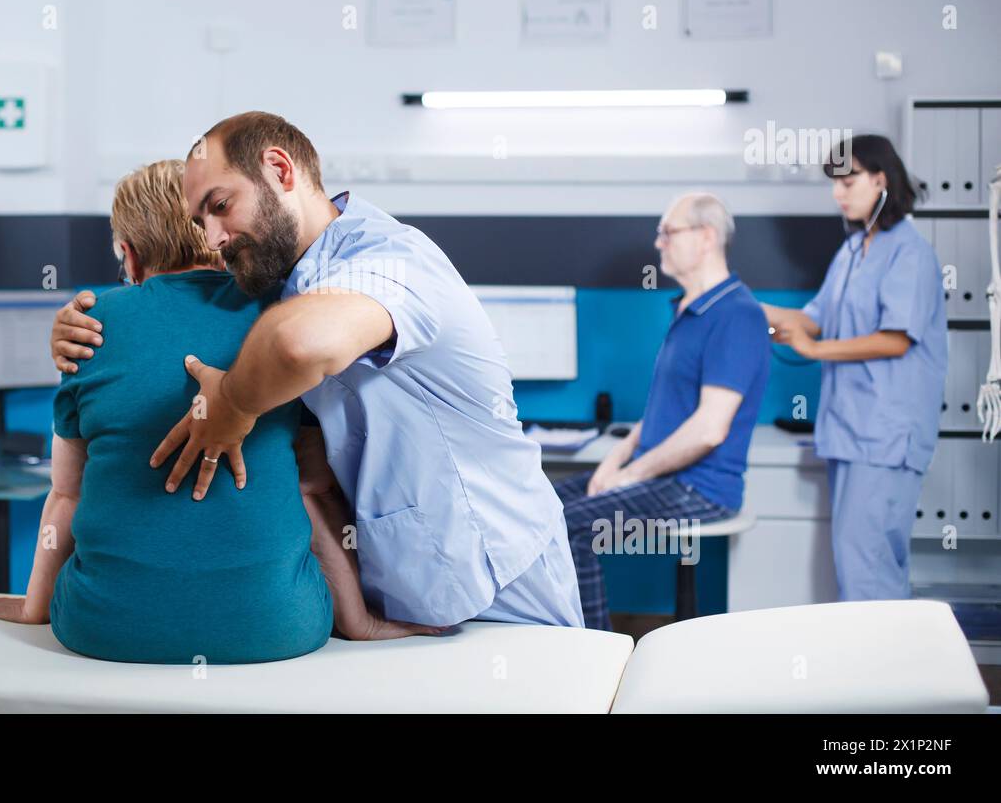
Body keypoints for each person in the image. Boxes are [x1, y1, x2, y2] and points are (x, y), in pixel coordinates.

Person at [50, 111, 584, 629]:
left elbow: (299, 343)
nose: (212, 237)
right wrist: (76, 327)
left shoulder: (393, 259)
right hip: (405, 589)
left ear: (280, 171)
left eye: (221, 205)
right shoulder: (282, 282)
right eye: (199, 222)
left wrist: (232, 406)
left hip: (498, 584)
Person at [0, 160, 427, 662]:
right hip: (281, 631)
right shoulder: (282, 313)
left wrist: (36, 608)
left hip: (102, 629)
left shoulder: (88, 327)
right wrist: (357, 622)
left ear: (130, 254)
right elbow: (313, 489)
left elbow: (65, 493)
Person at [555, 193, 770, 630]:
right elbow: (655, 414)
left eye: (668, 232)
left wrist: (629, 476)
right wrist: (611, 463)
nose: (659, 244)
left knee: (570, 526)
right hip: (662, 476)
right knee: (544, 504)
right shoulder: (688, 310)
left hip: (698, 488)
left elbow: (709, 430)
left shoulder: (736, 315)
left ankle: (597, 653)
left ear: (706, 237)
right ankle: (554, 635)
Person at [763, 135, 946, 601]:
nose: (837, 193)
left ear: (880, 180)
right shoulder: (851, 252)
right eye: (835, 184)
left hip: (885, 436)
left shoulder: (911, 253)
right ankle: (877, 666)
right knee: (859, 561)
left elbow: (895, 339)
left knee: (868, 566)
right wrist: (741, 306)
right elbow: (814, 318)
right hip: (850, 431)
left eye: (848, 181)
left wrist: (813, 350)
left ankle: (881, 671)